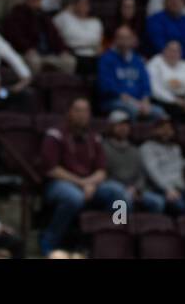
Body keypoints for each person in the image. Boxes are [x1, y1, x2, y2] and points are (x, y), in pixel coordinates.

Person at [37, 97, 130, 255]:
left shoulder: (94, 138)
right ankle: (49, 239)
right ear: (69, 113)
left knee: (121, 195)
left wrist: (89, 183)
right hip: (59, 184)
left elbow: (102, 170)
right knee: (74, 197)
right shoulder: (55, 135)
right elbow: (52, 169)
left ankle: (111, 234)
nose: (82, 114)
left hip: (89, 184)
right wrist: (82, 183)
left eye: (86, 111)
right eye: (78, 110)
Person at [97, 26, 165, 120]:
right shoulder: (107, 59)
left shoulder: (138, 60)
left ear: (132, 40)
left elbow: (145, 83)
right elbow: (106, 85)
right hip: (114, 100)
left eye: (127, 38)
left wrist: (145, 100)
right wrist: (125, 97)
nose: (124, 42)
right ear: (115, 39)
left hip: (138, 102)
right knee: (132, 110)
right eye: (121, 38)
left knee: (160, 113)